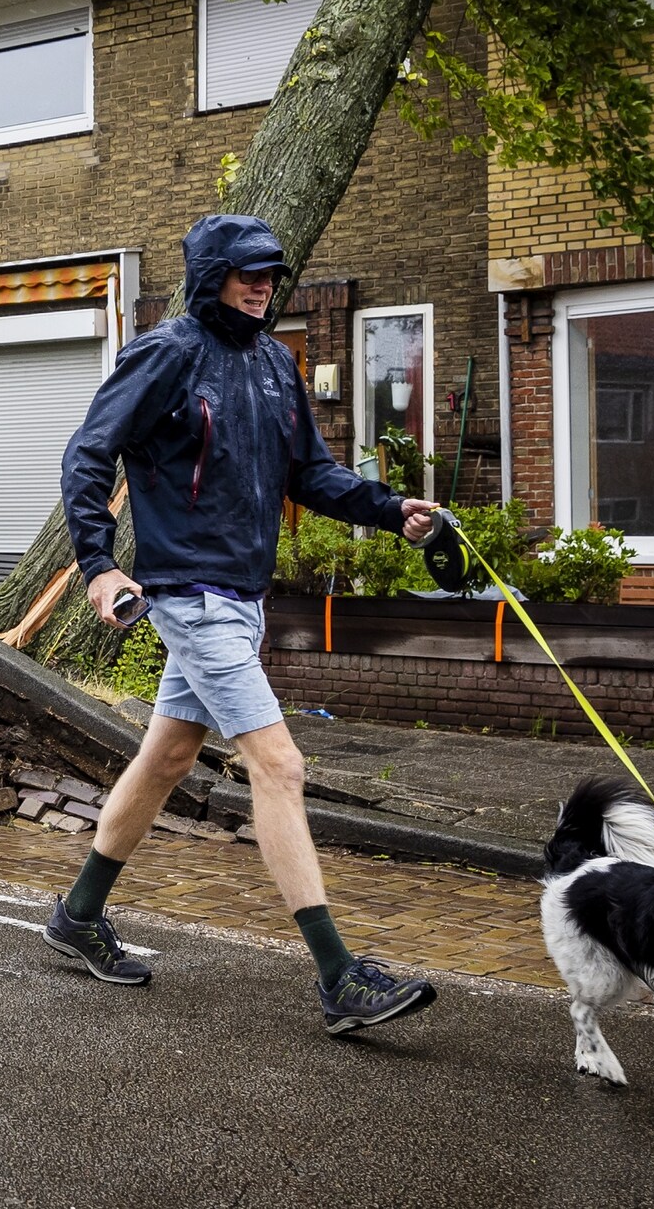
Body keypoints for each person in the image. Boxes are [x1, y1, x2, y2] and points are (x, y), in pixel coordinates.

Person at [40, 212, 441, 1035]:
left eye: (270, 274)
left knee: (167, 757)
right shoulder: (166, 353)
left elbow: (311, 474)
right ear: (210, 276)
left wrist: (389, 508)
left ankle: (78, 916)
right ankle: (339, 977)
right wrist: (99, 563)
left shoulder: (274, 364)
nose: (262, 286)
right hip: (188, 593)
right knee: (280, 765)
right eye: (246, 273)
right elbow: (87, 454)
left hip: (242, 598)